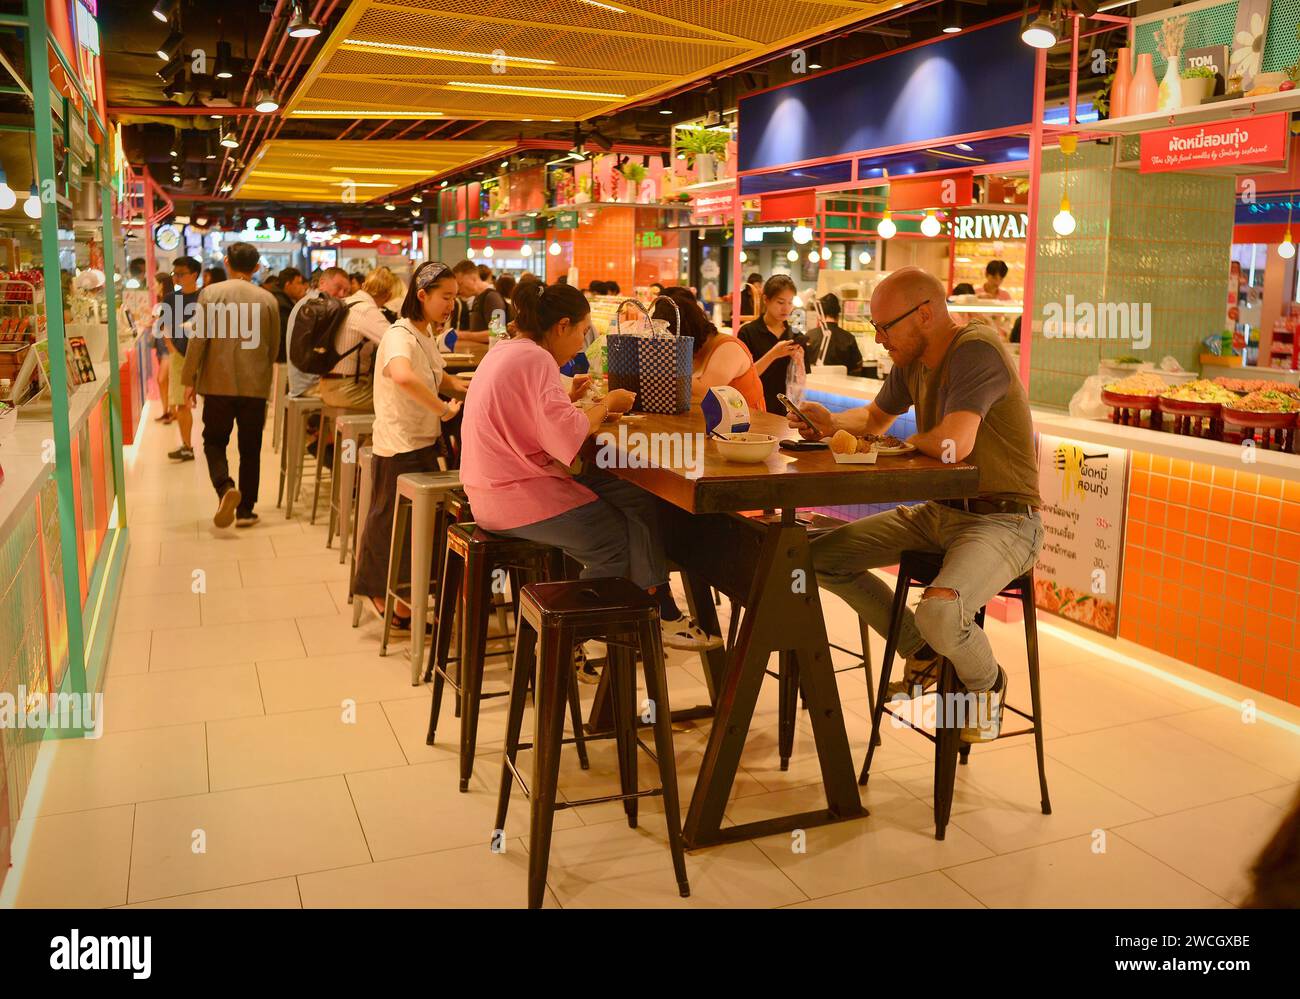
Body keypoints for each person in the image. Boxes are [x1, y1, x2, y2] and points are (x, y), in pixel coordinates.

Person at [788, 267, 1042, 743]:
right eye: (876, 328)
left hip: (1005, 519)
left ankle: (988, 685)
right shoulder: (913, 360)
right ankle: (921, 652)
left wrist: (900, 447)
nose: (880, 339)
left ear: (925, 314)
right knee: (817, 557)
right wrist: (829, 425)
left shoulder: (975, 351)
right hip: (941, 513)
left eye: (885, 327)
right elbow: (874, 418)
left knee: (942, 610)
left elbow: (954, 444)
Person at [459, 280, 719, 652]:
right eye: (582, 333)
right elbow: (565, 439)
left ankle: (656, 605)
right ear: (561, 326)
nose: (582, 344)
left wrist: (570, 398)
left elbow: (536, 419)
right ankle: (567, 643)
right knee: (613, 540)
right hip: (512, 495)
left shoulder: (509, 350)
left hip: (491, 487)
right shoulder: (536, 359)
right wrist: (606, 404)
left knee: (633, 492)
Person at [353, 261, 467, 628]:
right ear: (422, 295)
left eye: (454, 297)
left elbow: (436, 374)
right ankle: (381, 595)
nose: (451, 305)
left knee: (414, 526)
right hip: (400, 443)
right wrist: (442, 410)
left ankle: (406, 597)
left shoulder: (423, 333)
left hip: (422, 440)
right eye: (445, 297)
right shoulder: (399, 334)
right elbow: (403, 375)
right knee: (390, 522)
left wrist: (466, 387)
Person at [182, 242, 281, 529]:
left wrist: (189, 380)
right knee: (250, 447)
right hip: (255, 386)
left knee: (214, 441)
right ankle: (247, 510)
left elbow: (198, 340)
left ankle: (225, 488)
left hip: (217, 384)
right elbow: (273, 348)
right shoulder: (268, 300)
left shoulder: (211, 294)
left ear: (227, 262)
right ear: (256, 266)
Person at [651, 286, 764, 412]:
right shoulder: (690, 350)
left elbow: (705, 392)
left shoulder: (728, 348)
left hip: (747, 425)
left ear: (685, 330)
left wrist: (659, 372)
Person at [318, 266, 400, 412]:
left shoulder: (346, 302)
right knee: (403, 402)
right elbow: (397, 342)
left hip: (327, 385)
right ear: (388, 295)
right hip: (348, 389)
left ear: (363, 285)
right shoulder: (367, 311)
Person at [737, 274, 805, 414]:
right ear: (766, 300)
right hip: (754, 408)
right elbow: (743, 377)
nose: (786, 308)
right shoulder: (748, 332)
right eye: (780, 302)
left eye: (790, 302)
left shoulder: (795, 335)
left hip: (786, 412)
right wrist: (773, 354)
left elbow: (800, 381)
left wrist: (800, 362)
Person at [285, 266, 350, 400]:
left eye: (346, 291)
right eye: (338, 287)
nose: (342, 294)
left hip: (298, 382)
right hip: (311, 385)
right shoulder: (323, 307)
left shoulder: (307, 302)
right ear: (322, 283)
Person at [164, 256, 202, 460]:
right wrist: (172, 348)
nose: (177, 277)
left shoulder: (205, 296)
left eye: (181, 273)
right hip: (179, 355)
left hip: (205, 356)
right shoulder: (171, 298)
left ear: (194, 275)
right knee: (181, 402)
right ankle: (187, 446)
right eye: (175, 274)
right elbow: (165, 326)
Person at [809, 293, 864, 375]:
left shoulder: (809, 335)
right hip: (842, 385)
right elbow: (857, 366)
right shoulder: (849, 338)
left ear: (820, 314)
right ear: (838, 315)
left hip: (813, 385)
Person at [449, 259, 495, 343]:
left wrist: (460, 335)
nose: (458, 290)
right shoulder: (477, 299)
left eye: (460, 284)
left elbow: (496, 333)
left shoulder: (492, 297)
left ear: (473, 278)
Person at [151, 272, 176, 425]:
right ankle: (167, 411)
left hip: (168, 345)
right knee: (164, 380)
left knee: (163, 379)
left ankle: (172, 411)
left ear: (162, 284)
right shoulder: (162, 302)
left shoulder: (170, 301)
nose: (153, 286)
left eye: (155, 283)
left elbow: (168, 325)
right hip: (161, 344)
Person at [271, 267, 307, 366]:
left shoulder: (279, 299)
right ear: (288, 284)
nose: (302, 287)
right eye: (299, 283)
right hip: (280, 360)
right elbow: (292, 333)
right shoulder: (282, 305)